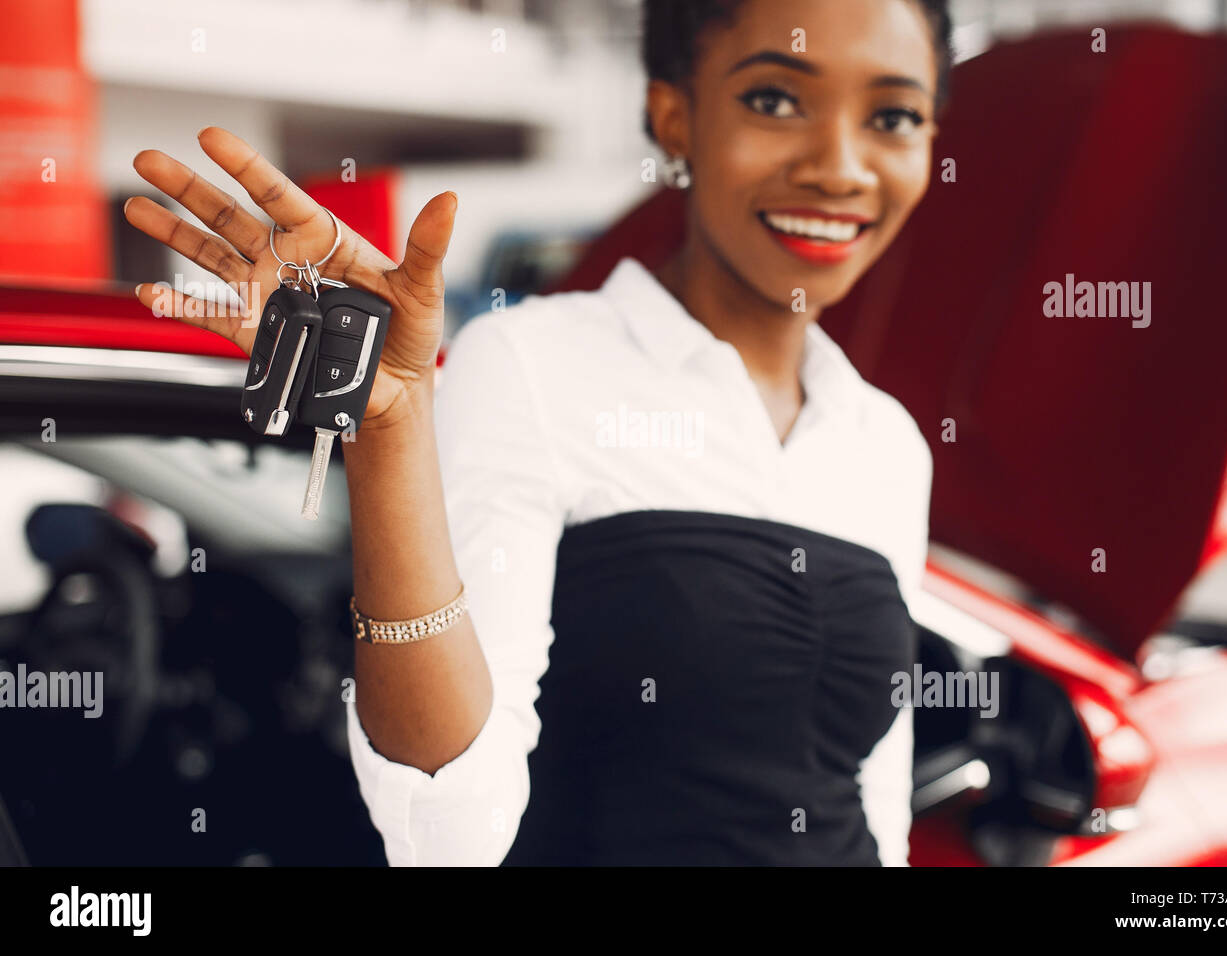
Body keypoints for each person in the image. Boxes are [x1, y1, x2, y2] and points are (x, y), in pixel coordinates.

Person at [123, 0, 952, 865]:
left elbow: (876, 805)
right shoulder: (531, 365)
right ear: (674, 117)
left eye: (893, 116)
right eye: (776, 101)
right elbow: (448, 837)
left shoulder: (885, 444)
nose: (840, 167)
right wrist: (393, 428)